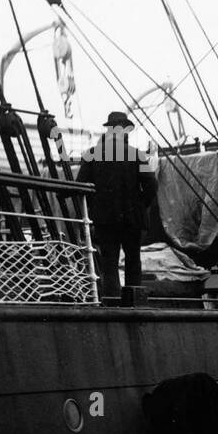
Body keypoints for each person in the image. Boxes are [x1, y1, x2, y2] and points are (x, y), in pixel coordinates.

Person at [77, 111, 156, 305]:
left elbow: (80, 185)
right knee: (133, 260)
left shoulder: (92, 154)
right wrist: (139, 205)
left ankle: (111, 301)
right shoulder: (138, 155)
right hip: (132, 219)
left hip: (105, 219)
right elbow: (152, 184)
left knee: (109, 262)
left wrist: (97, 205)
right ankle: (135, 302)